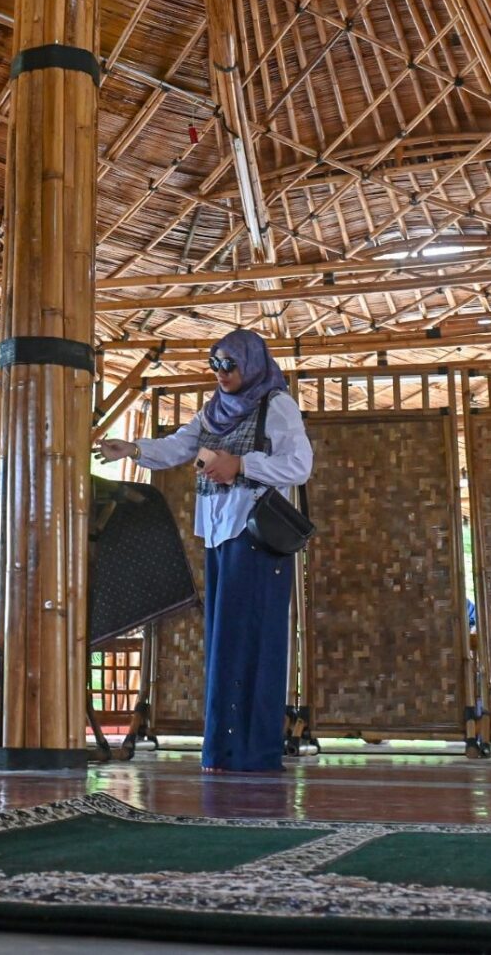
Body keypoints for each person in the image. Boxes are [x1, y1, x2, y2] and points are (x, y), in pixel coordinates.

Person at [97, 329, 312, 773]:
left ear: (251, 363)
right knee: (225, 641)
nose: (222, 373)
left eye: (230, 364)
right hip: (218, 535)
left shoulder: (276, 404)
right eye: (215, 364)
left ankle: (254, 754)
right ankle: (223, 751)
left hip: (256, 538)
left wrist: (242, 465)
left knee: (254, 641)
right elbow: (180, 445)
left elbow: (298, 464)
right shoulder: (213, 411)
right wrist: (133, 448)